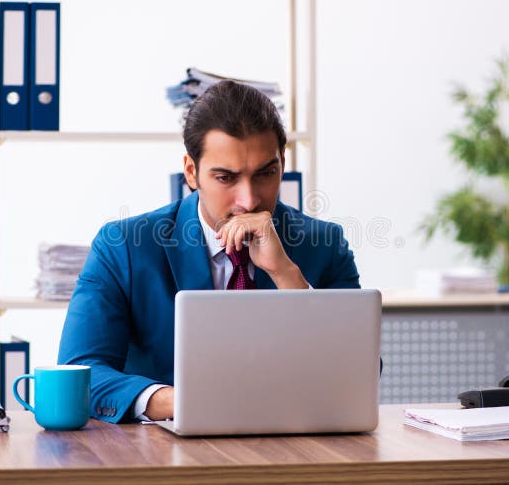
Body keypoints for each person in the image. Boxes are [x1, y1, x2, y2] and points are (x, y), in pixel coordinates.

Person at [58, 80, 360, 423]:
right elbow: (80, 371)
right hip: (164, 453)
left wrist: (287, 276)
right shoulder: (123, 246)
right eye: (226, 178)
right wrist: (184, 401)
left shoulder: (325, 244)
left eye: (266, 173)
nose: (249, 200)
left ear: (283, 162)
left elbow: (359, 373)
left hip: (292, 447)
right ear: (191, 172)